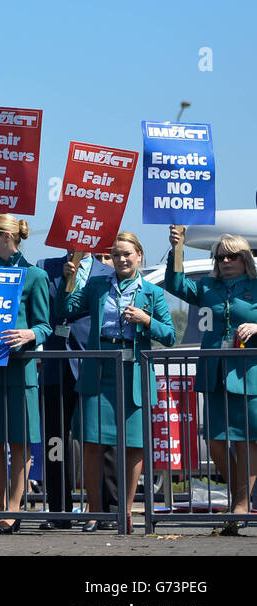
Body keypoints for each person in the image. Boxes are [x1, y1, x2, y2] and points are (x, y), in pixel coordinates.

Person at [61, 231, 174, 533]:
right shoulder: (97, 285)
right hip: (99, 369)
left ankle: (124, 512)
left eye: (127, 254)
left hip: (133, 372)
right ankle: (95, 510)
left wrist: (147, 320)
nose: (122, 259)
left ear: (139, 255)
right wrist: (69, 281)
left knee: (134, 445)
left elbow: (170, 335)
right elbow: (68, 311)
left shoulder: (152, 292)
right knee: (92, 443)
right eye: (116, 254)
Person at [164, 227, 257, 535]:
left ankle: (240, 505)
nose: (226, 261)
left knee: (247, 441)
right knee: (215, 439)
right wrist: (177, 249)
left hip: (249, 373)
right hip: (213, 371)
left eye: (232, 256)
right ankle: (241, 497)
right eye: (220, 256)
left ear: (245, 258)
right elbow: (174, 283)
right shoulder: (207, 286)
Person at [0, 213, 52, 533]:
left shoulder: (34, 276)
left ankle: (12, 509)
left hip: (21, 371)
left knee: (20, 442)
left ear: (6, 238)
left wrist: (29, 334)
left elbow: (45, 325)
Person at [39, 251, 118, 529]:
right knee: (55, 442)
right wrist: (64, 279)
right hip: (56, 365)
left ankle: (109, 511)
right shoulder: (45, 266)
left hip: (92, 364)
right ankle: (59, 510)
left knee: (101, 440)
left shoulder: (107, 272)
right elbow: (48, 312)